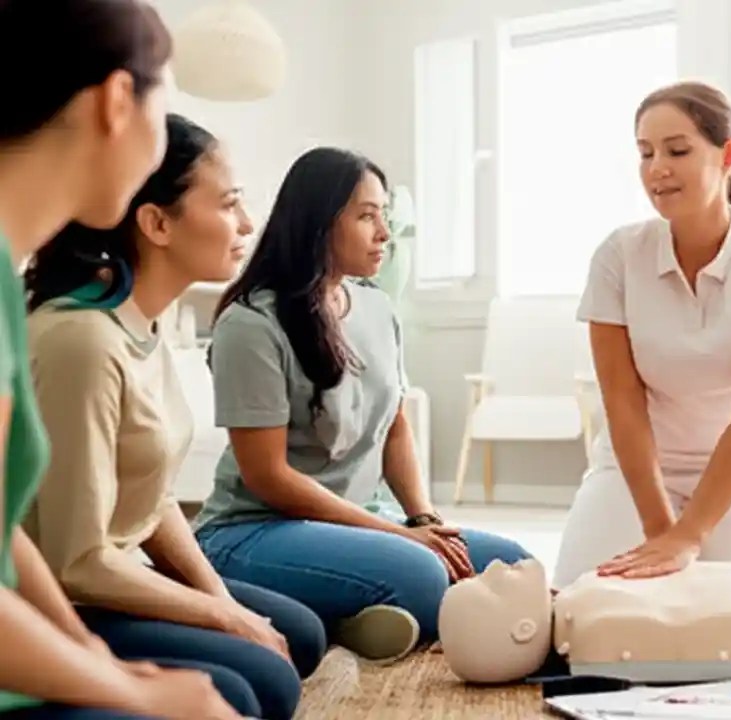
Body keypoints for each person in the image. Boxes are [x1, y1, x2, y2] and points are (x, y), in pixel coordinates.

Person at [22, 113, 327, 720]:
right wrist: (220, 615)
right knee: (256, 683)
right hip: (58, 599)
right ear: (157, 222)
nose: (246, 225)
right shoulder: (81, 342)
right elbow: (75, 561)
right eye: (230, 204)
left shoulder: (141, 320)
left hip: (110, 573)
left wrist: (219, 601)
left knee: (301, 635)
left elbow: (149, 489)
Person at [193, 147, 531, 663]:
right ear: (318, 222)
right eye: (367, 216)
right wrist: (398, 537)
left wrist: (422, 521)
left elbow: (395, 427)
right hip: (253, 530)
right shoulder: (250, 324)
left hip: (358, 519)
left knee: (513, 567)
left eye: (385, 216)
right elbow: (268, 478)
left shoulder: (376, 306)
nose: (384, 234)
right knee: (421, 575)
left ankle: (350, 610)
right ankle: (333, 616)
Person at [0, 1, 240, 718]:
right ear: (114, 102)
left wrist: (93, 656)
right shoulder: (65, 325)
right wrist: (131, 690)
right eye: (163, 108)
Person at [551, 80, 731, 595]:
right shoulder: (618, 256)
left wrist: (690, 533)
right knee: (579, 607)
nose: (657, 169)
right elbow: (623, 404)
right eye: (645, 153)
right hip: (638, 469)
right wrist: (660, 532)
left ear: (729, 154)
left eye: (677, 150)